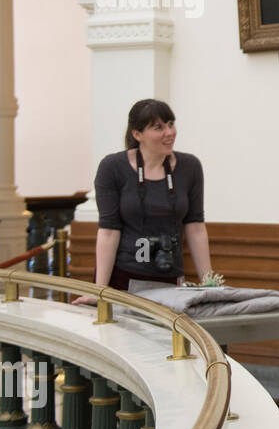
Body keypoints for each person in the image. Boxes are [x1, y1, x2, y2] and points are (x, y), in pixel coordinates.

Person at [72, 99, 213, 303]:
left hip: (170, 278)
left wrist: (210, 285)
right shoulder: (113, 167)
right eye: (158, 127)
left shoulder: (190, 166)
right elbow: (109, 230)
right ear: (137, 134)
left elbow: (196, 227)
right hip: (123, 278)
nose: (169, 132)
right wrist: (99, 291)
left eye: (171, 124)